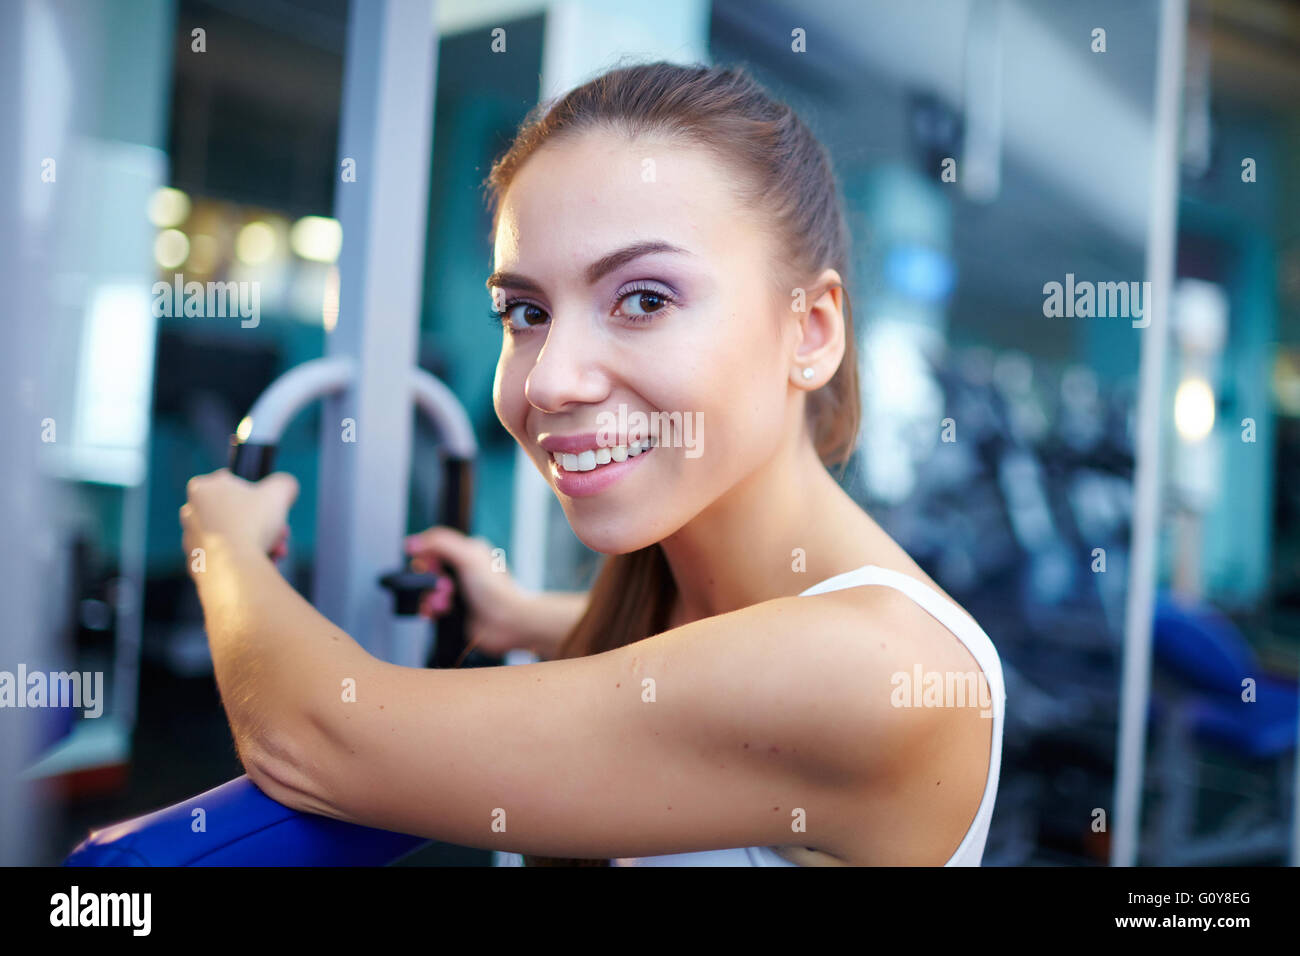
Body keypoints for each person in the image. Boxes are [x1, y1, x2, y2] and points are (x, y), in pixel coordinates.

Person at [180, 61, 1005, 867]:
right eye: (525, 311)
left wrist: (223, 545)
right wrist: (526, 615)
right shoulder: (707, 604)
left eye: (645, 299)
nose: (549, 380)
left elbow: (315, 738)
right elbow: (700, 665)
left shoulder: (876, 670)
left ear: (811, 330)